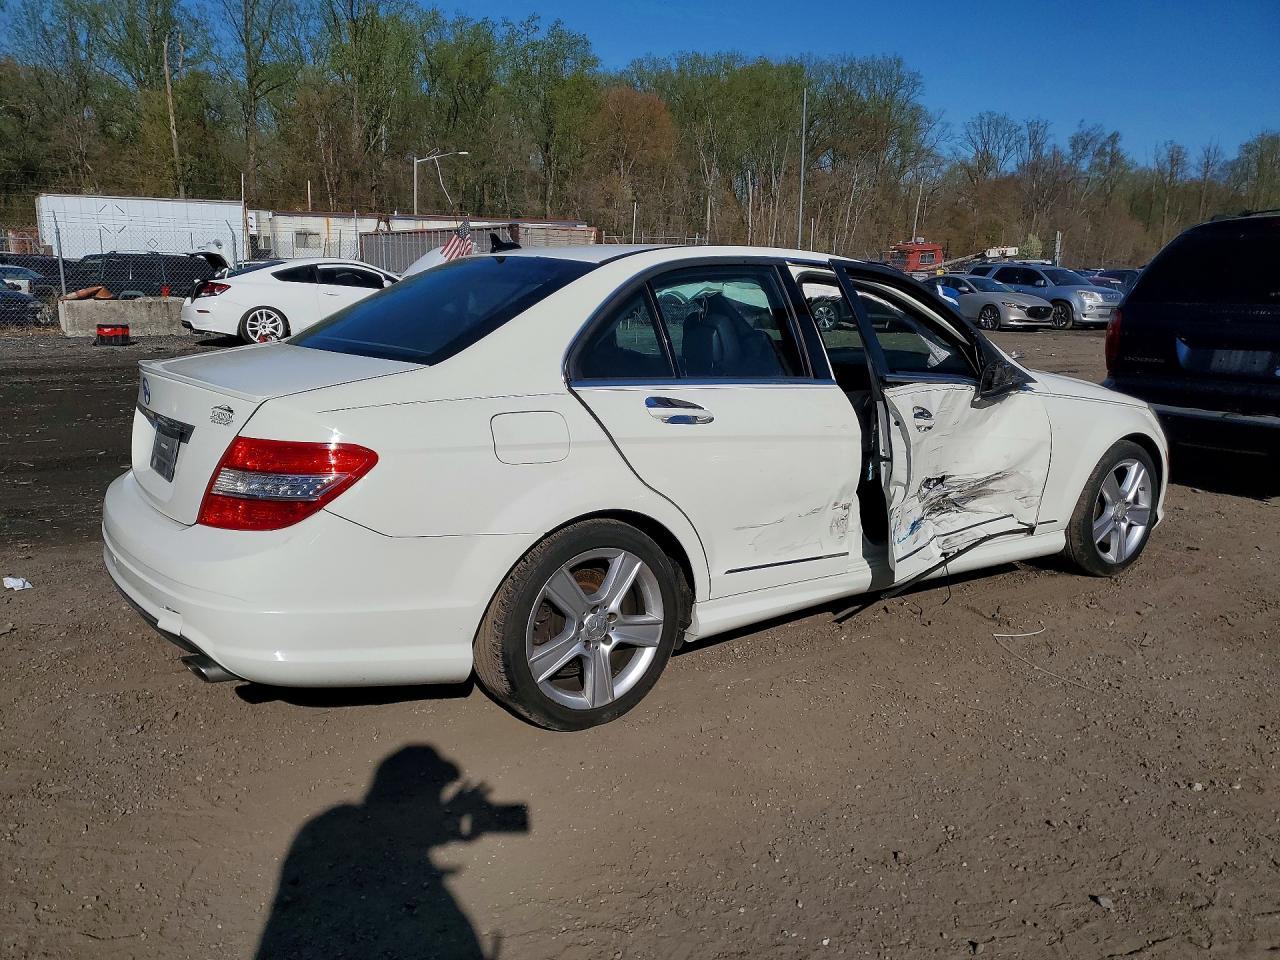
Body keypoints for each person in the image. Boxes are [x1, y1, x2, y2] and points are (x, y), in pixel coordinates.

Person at [255, 745, 528, 960]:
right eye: (433, 789)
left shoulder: (332, 823)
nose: (435, 797)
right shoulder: (342, 827)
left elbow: (388, 839)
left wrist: (446, 827)